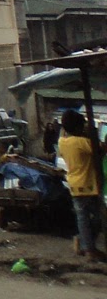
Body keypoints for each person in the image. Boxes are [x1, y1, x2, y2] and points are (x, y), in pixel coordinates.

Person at [57, 110, 104, 261]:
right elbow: (99, 151)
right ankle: (89, 249)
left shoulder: (62, 142)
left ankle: (84, 243)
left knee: (83, 218)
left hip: (74, 185)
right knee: (97, 218)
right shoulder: (81, 142)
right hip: (89, 185)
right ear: (78, 128)